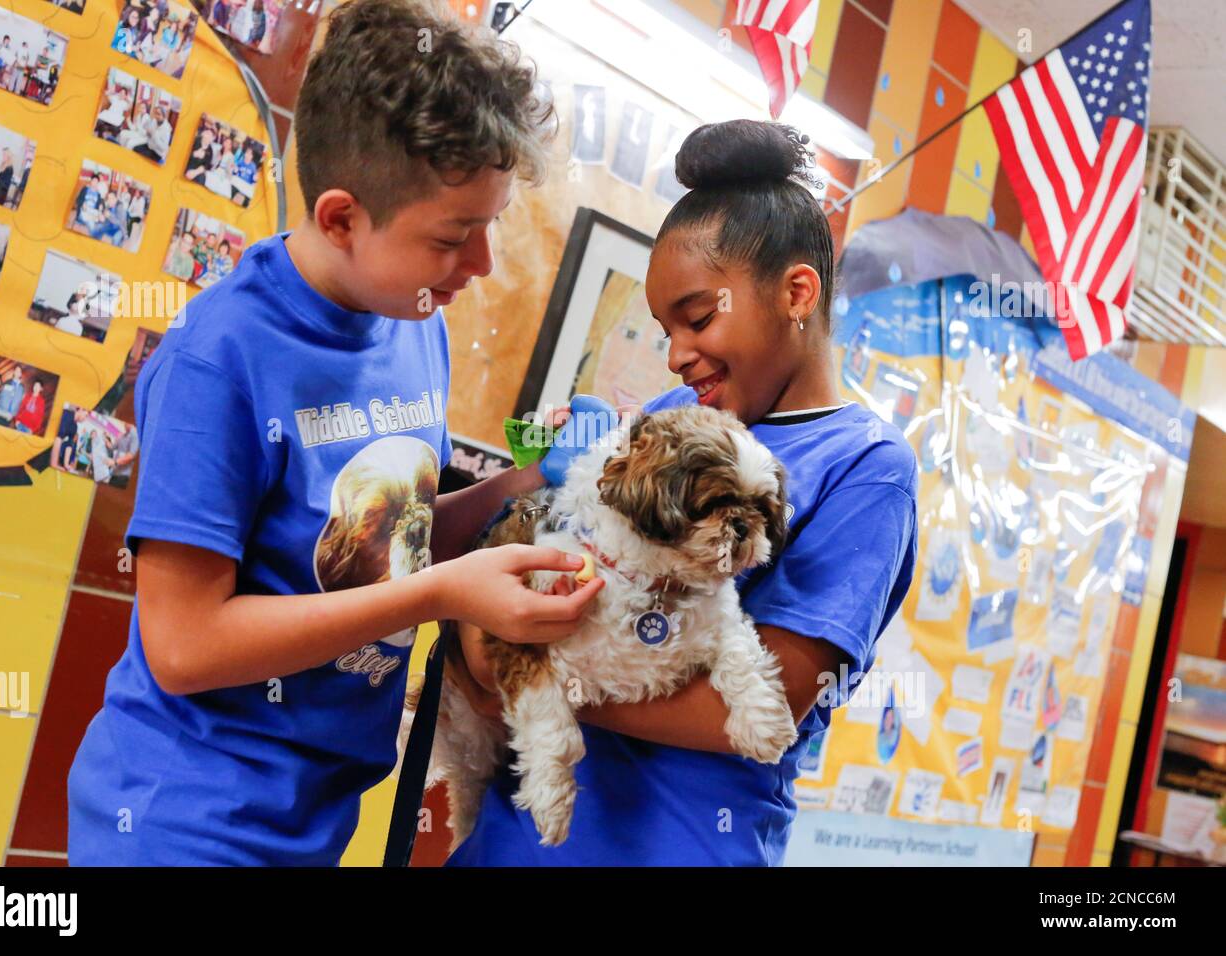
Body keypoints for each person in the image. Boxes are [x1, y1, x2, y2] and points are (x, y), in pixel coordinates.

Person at [66, 0, 600, 867]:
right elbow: (183, 646)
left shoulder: (413, 319)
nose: (483, 265)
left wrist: (523, 485)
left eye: (490, 224)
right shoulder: (221, 359)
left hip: (315, 818)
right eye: (452, 237)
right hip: (184, 825)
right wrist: (443, 595)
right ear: (344, 217)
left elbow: (394, 543)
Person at [447, 120, 919, 866]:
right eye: (665, 328)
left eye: (698, 318)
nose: (675, 355)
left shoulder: (867, 468)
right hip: (518, 837)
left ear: (798, 291)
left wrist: (527, 666)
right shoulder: (676, 416)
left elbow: (776, 702)